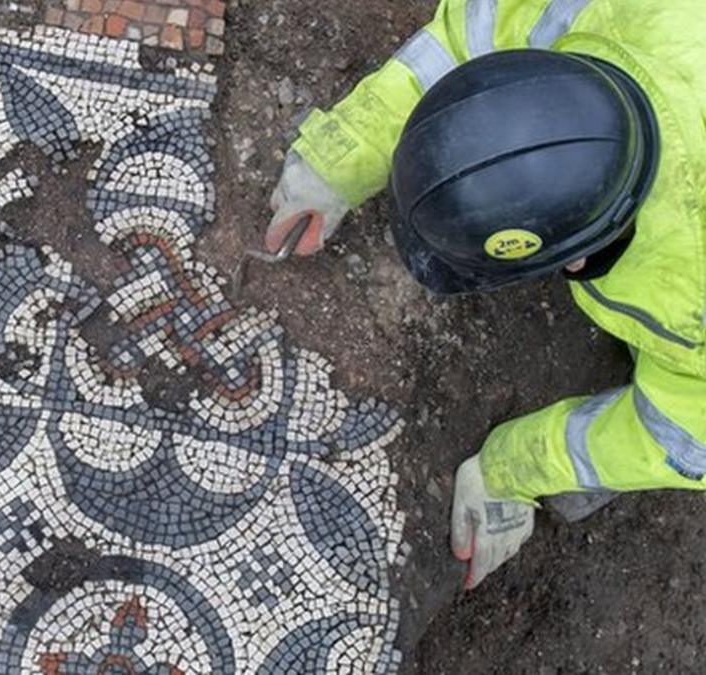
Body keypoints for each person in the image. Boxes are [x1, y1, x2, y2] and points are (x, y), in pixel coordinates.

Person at [267, 0, 706, 589]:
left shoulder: (686, 310)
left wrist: (514, 470)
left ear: (573, 255)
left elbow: (681, 435)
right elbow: (467, 36)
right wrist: (342, 154)